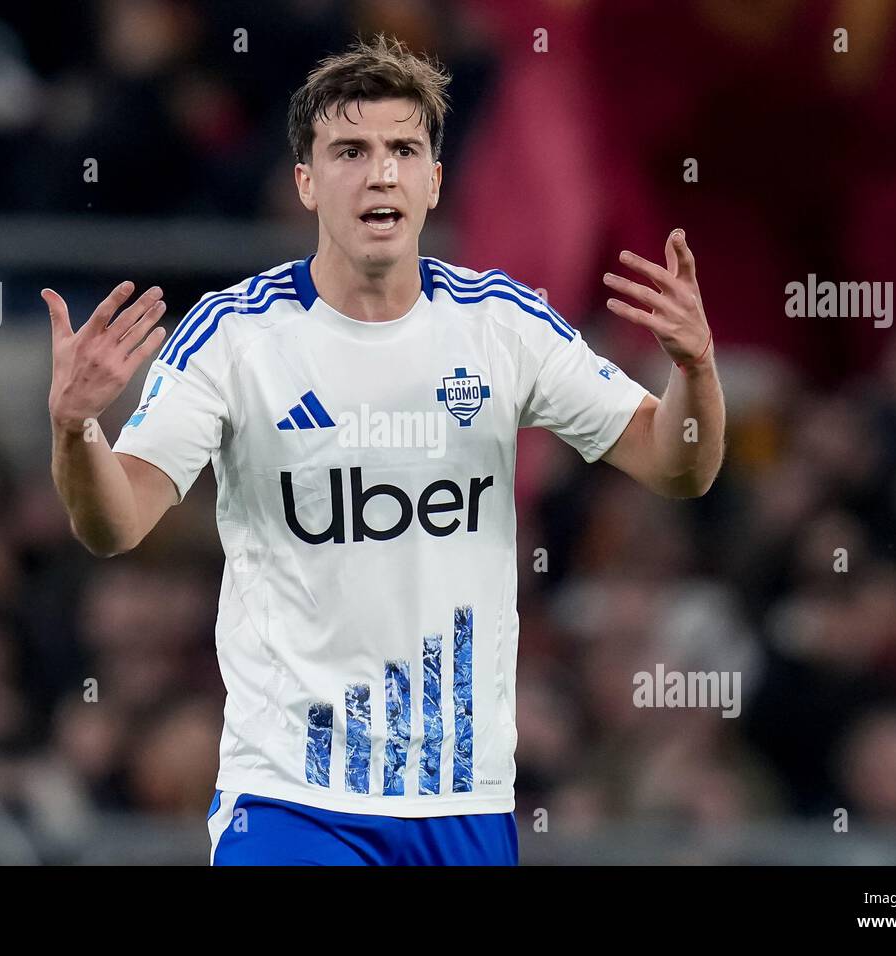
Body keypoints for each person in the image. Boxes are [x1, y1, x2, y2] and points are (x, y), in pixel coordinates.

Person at [42, 34, 725, 865]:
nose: (381, 173)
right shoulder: (235, 337)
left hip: (460, 801)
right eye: (350, 151)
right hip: (293, 796)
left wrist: (695, 370)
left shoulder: (499, 325)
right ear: (305, 180)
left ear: (434, 181)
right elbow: (116, 522)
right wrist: (77, 430)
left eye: (405, 149)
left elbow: (679, 463)